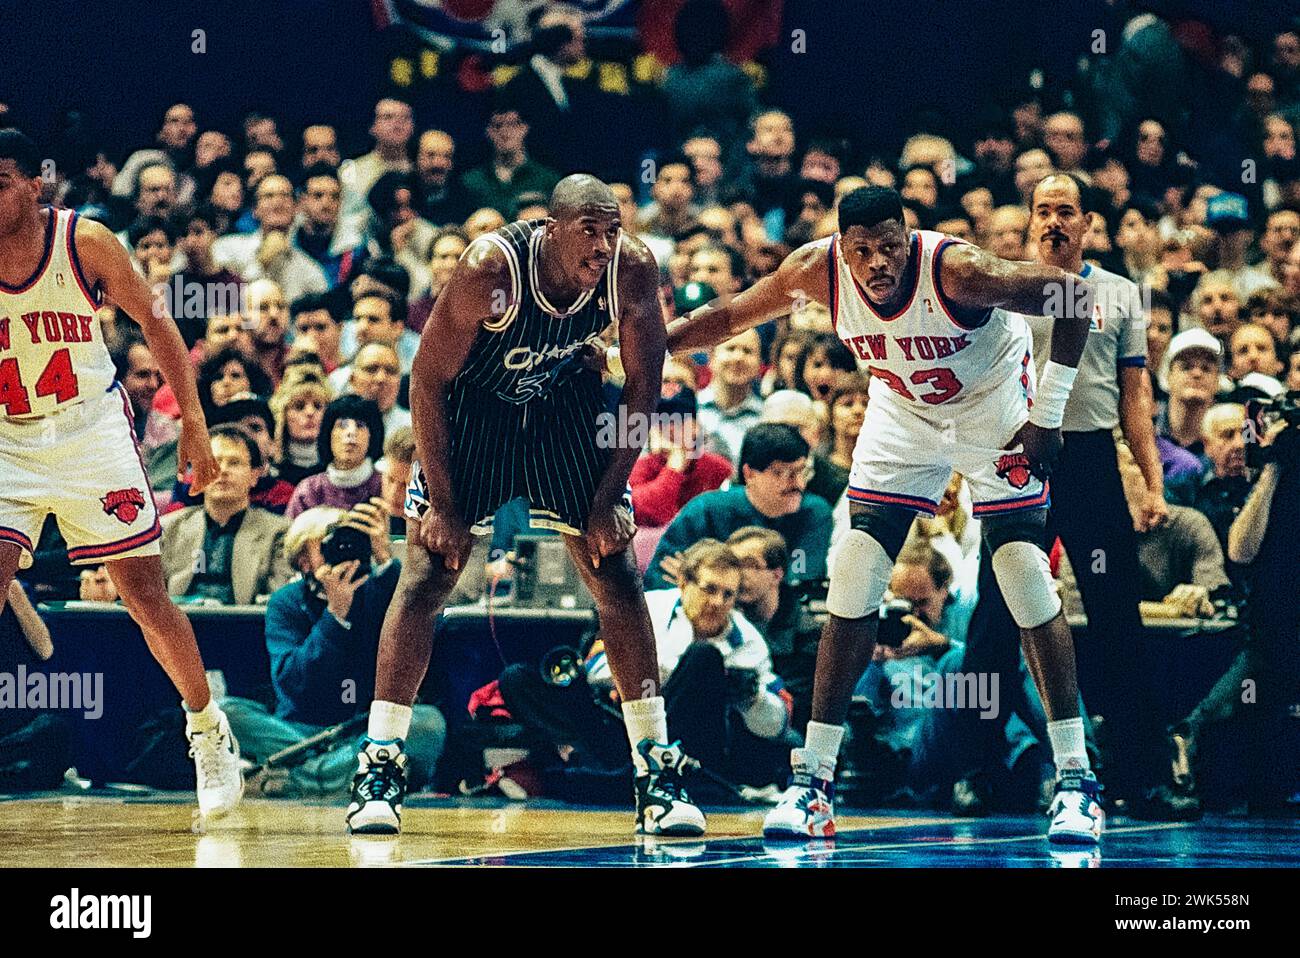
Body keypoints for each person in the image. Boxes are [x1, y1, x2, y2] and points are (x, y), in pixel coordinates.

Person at [666, 185, 1098, 842]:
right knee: (856, 567)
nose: (877, 263)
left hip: (991, 405)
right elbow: (730, 316)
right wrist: (654, 344)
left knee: (1020, 568)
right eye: (862, 250)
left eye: (889, 246)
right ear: (843, 248)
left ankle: (1076, 781)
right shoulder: (816, 270)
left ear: (907, 238)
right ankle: (812, 782)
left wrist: (1048, 415)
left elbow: (1074, 297)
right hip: (902, 412)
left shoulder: (957, 270)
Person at [348, 174, 707, 837]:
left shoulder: (631, 268)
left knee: (615, 571)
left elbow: (644, 386)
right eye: (589, 230)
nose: (603, 244)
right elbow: (425, 380)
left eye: (612, 229)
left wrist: (607, 497)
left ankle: (656, 769)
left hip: (562, 403)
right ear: (551, 228)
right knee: (428, 571)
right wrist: (447, 507)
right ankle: (382, 762)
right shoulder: (492, 267)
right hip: (473, 408)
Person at [0, 128, 241, 817]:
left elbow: (159, 324)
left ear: (33, 186)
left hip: (87, 430)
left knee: (144, 596)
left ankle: (206, 727)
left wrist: (194, 424)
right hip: (7, 439)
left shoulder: (86, 241)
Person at [499, 539, 790, 789]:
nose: (718, 602)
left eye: (728, 594)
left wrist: (753, 699)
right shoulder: (647, 608)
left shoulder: (748, 642)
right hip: (620, 722)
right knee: (516, 679)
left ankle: (613, 774)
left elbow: (776, 725)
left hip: (689, 745)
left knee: (705, 658)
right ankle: (606, 767)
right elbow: (596, 668)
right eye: (709, 589)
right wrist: (652, 675)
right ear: (683, 583)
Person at [229, 506, 446, 797]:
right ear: (304, 560)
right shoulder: (286, 602)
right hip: (299, 732)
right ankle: (346, 775)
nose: (341, 549)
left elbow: (416, 627)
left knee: (427, 721)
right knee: (227, 711)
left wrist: (384, 557)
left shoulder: (379, 589)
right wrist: (335, 616)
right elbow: (292, 683)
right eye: (328, 542)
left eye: (347, 539)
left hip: (363, 731)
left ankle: (305, 779)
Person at [645, 423, 832, 591]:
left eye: (802, 471)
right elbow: (658, 584)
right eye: (782, 473)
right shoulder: (706, 510)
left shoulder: (815, 513)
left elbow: (801, 589)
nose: (798, 483)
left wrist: (705, 583)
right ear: (749, 474)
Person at [159, 426, 293, 604]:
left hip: (245, 627)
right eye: (214, 461)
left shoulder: (279, 533)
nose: (222, 470)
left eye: (234, 462)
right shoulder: (168, 528)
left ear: (255, 475)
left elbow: (277, 604)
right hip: (178, 626)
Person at [286, 394, 386, 518]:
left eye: (360, 425)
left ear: (373, 436)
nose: (351, 432)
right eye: (342, 425)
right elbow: (291, 536)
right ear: (328, 435)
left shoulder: (386, 487)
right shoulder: (309, 491)